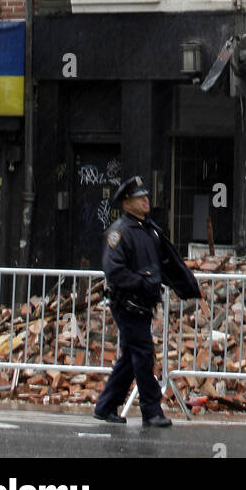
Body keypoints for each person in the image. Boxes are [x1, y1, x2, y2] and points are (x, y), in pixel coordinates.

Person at [93, 175, 202, 428]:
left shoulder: (150, 229)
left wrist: (184, 284)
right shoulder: (119, 232)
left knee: (131, 356)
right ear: (127, 203)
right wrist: (142, 282)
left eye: (146, 196)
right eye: (140, 198)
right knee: (142, 355)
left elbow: (165, 262)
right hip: (128, 304)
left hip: (143, 304)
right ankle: (151, 411)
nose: (146, 201)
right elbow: (114, 271)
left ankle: (106, 406)